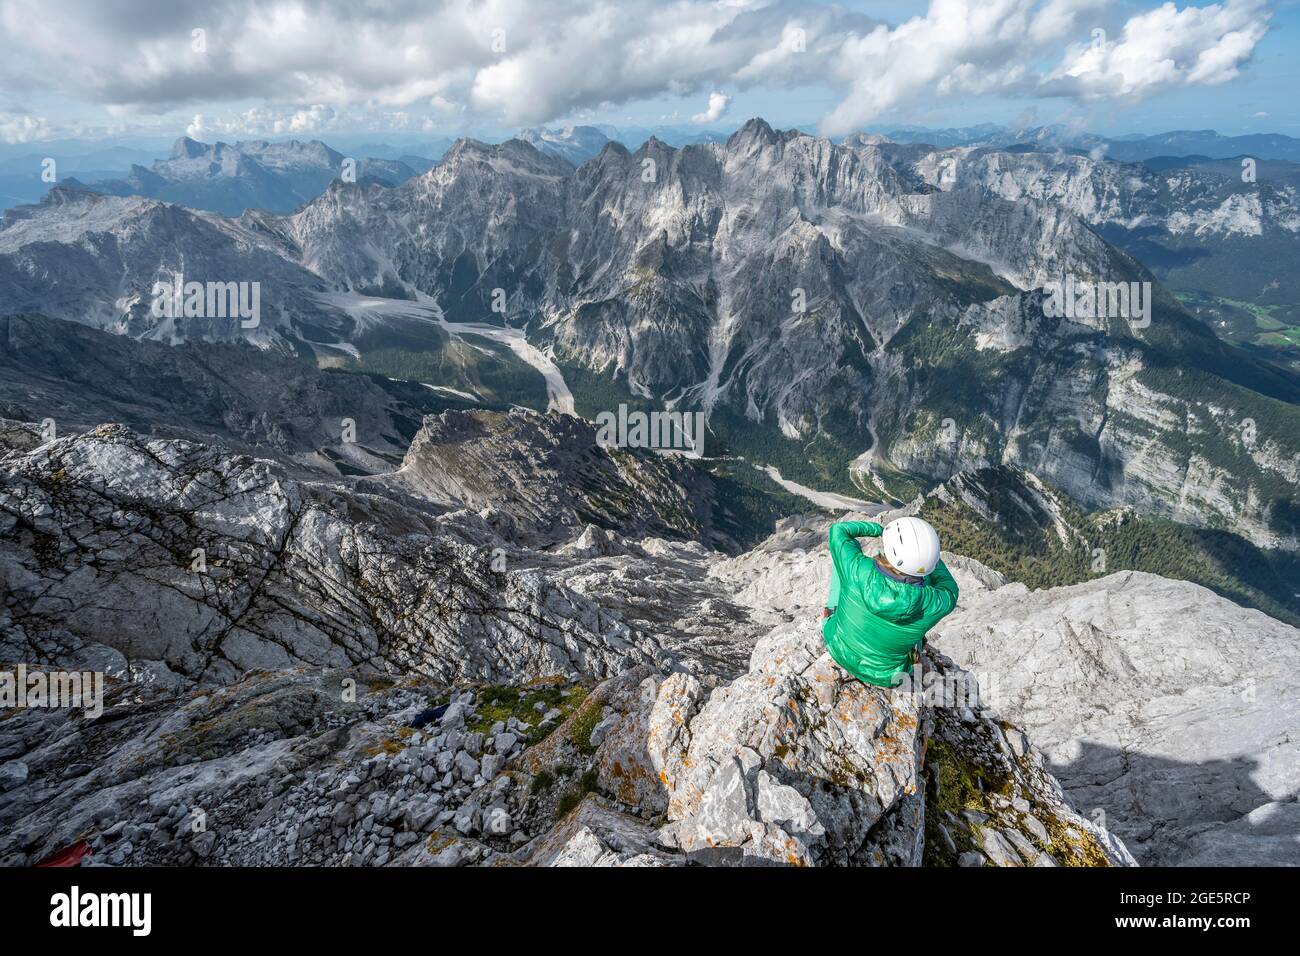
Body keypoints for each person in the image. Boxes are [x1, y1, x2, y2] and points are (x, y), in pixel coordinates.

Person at [822, 516, 959, 688]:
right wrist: (930, 559)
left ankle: (831, 612)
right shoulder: (936, 602)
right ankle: (913, 645)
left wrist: (878, 530)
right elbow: (950, 588)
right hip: (889, 675)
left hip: (837, 646)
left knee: (844, 558)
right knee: (916, 638)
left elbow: (839, 530)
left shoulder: (858, 569)